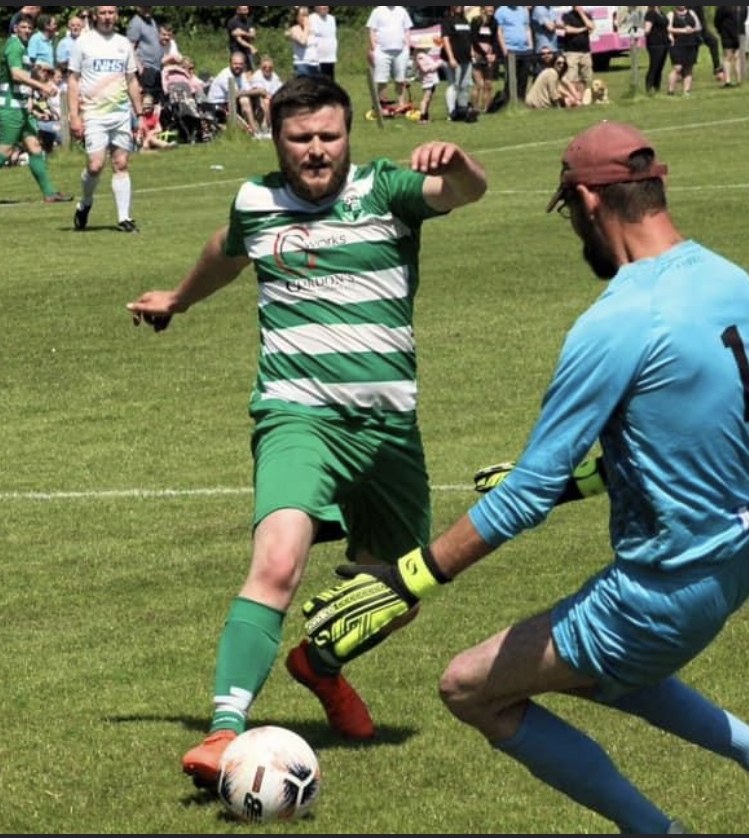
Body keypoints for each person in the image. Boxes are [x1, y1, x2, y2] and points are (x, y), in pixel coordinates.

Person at [301, 120, 749, 836]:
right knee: (614, 676)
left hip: (659, 592)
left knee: (469, 689)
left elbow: (521, 499)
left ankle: (655, 830)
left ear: (587, 200)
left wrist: (408, 579)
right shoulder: (726, 278)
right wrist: (576, 481)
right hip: (734, 564)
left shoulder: (617, 320)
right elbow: (683, 434)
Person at [126, 73, 488, 791]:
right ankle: (225, 730)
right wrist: (178, 299)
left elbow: (464, 193)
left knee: (399, 592)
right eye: (301, 139)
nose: (317, 152)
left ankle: (319, 665)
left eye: (329, 136)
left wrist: (460, 164)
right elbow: (227, 249)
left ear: (349, 134)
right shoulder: (257, 201)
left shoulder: (386, 190)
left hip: (387, 432)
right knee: (279, 560)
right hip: (296, 414)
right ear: (276, 139)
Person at [0, 13, 71, 207]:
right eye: (23, 27)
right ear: (15, 28)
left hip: (21, 107)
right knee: (5, 151)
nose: (27, 31)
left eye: (30, 28)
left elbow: (25, 72)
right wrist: (41, 86)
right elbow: (16, 74)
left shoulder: (21, 47)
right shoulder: (13, 45)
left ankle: (49, 193)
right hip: (10, 107)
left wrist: (42, 77)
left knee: (35, 148)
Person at [67, 5, 142, 233]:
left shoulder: (123, 43)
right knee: (95, 165)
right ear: (95, 15)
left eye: (111, 13)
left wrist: (139, 114)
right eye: (103, 13)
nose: (107, 17)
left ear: (116, 15)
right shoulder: (84, 42)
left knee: (121, 163)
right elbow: (73, 80)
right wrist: (74, 116)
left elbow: (131, 80)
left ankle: (124, 218)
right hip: (93, 113)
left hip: (120, 113)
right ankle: (85, 203)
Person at [367, 6, 414, 109]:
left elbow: (407, 30)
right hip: (382, 51)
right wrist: (374, 48)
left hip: (401, 51)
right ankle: (382, 104)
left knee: (400, 79)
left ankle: (401, 104)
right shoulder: (377, 11)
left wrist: (407, 47)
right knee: (382, 79)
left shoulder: (402, 10)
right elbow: (372, 30)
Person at [440, 5, 476, 119]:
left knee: (465, 85)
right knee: (454, 85)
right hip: (453, 59)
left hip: (466, 58)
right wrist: (451, 58)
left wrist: (472, 53)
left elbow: (468, 39)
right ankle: (451, 113)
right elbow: (445, 40)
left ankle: (462, 110)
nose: (459, 7)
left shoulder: (465, 20)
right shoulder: (447, 21)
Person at [127, 7, 165, 103]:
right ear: (138, 8)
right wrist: (140, 68)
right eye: (144, 7)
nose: (147, 9)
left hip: (156, 67)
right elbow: (130, 47)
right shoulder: (136, 23)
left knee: (157, 100)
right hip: (146, 67)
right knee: (147, 101)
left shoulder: (152, 21)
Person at [666, 6, 702, 96]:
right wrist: (682, 30)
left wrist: (691, 29)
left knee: (688, 68)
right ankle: (671, 91)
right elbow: (668, 28)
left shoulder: (691, 13)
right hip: (677, 44)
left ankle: (686, 91)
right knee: (677, 68)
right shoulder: (671, 14)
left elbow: (699, 27)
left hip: (691, 43)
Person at [309, 6, 339, 80]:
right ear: (316, 7)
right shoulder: (312, 18)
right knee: (320, 81)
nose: (324, 7)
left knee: (330, 80)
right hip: (318, 58)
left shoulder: (331, 18)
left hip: (330, 56)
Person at [288, 6, 318, 77]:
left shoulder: (312, 29)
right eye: (303, 15)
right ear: (297, 17)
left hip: (314, 64)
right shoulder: (294, 29)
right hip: (302, 64)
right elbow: (303, 42)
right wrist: (306, 27)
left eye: (307, 15)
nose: (305, 18)